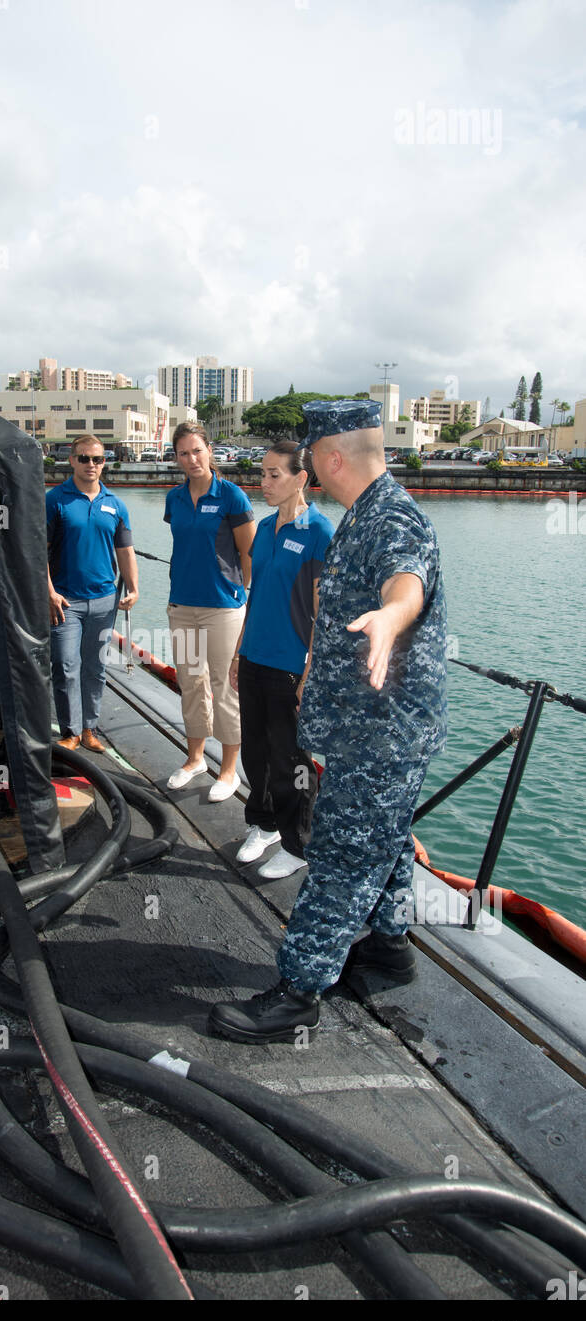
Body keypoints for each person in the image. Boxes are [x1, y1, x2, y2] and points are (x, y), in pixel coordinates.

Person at [209, 399, 447, 1042]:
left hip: (382, 733)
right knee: (388, 837)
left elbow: (407, 583)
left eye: (311, 456)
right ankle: (391, 945)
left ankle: (298, 990)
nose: (307, 467)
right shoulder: (362, 516)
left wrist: (391, 619)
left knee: (343, 851)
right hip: (366, 725)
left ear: (331, 457)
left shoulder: (391, 520)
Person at [229, 442, 334, 878]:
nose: (264, 483)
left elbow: (322, 610)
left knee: (292, 760)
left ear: (301, 479)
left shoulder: (318, 533)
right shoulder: (267, 528)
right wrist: (238, 652)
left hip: (291, 665)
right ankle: (265, 824)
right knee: (255, 751)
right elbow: (256, 599)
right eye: (263, 474)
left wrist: (311, 671)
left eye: (274, 474)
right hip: (254, 656)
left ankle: (298, 843)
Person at [163, 423, 255, 800]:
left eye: (197, 450)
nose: (191, 459)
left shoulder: (232, 496)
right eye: (184, 453)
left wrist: (241, 594)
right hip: (183, 605)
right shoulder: (174, 498)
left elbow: (248, 556)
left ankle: (229, 770)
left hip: (222, 608)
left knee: (225, 687)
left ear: (209, 451)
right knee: (191, 684)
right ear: (177, 458)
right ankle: (195, 758)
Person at [46, 435, 139, 752]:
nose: (91, 465)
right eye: (84, 458)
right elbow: (38, 552)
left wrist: (134, 588)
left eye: (97, 459)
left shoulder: (115, 504)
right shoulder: (56, 500)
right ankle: (70, 731)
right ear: (71, 460)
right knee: (65, 666)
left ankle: (89, 729)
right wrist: (49, 592)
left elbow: (125, 551)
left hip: (104, 600)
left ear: (104, 462)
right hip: (65, 602)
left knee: (95, 668)